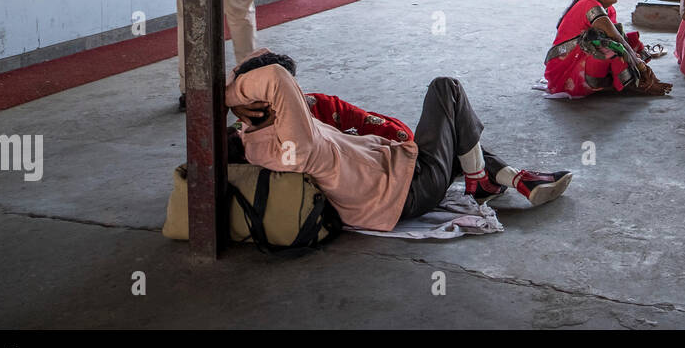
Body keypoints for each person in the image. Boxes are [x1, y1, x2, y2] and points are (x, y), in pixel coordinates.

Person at [226, 50, 573, 231]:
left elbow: (271, 65)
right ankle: (487, 180)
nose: (297, 92)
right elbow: (275, 74)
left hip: (400, 177)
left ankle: (507, 177)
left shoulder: (267, 132)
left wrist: (236, 96)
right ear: (261, 101)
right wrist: (232, 93)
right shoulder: (287, 144)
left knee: (459, 144)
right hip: (407, 191)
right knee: (444, 88)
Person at [543, 0, 672, 98]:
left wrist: (637, 62)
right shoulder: (589, 5)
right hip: (565, 71)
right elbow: (616, 39)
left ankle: (634, 82)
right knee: (614, 52)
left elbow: (617, 38)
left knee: (632, 42)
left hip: (583, 53)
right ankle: (636, 85)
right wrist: (642, 67)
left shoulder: (608, 8)